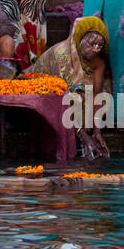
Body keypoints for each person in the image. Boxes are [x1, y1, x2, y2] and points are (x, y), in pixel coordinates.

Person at [22, 16, 109, 157]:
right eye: (91, 43)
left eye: (100, 46)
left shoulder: (98, 61)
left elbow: (96, 95)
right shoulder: (62, 54)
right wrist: (83, 136)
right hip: (42, 91)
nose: (95, 49)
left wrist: (97, 131)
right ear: (80, 37)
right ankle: (78, 133)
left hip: (72, 99)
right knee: (74, 94)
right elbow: (65, 98)